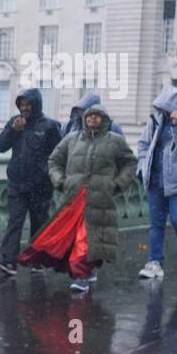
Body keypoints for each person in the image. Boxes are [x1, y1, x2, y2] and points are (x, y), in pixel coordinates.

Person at [32, 104, 138, 294]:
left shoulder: (115, 141)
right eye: (89, 116)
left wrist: (117, 184)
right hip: (73, 198)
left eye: (97, 116)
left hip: (100, 199)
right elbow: (54, 161)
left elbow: (130, 163)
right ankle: (84, 272)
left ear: (104, 120)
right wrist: (60, 181)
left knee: (88, 238)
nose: (92, 119)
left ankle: (81, 276)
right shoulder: (71, 139)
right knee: (75, 237)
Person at [0, 87, 63, 277]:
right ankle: (9, 261)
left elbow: (59, 154)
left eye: (27, 104)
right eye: (21, 104)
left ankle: (38, 261)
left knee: (39, 223)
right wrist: (13, 131)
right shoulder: (15, 123)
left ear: (35, 105)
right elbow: (0, 146)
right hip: (17, 182)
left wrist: (50, 176)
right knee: (14, 221)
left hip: (40, 185)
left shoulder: (50, 126)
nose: (24, 108)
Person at [136, 86, 177, 279]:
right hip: (155, 181)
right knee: (156, 224)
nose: (163, 112)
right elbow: (143, 144)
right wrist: (142, 164)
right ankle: (154, 263)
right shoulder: (154, 121)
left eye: (166, 108)